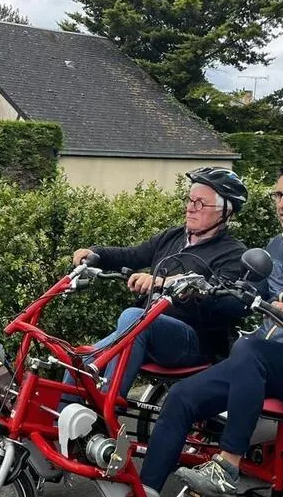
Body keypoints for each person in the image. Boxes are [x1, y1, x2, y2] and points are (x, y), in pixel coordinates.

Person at [86, 160, 283, 497]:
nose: (282, 203)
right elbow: (251, 295)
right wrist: (208, 288)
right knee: (182, 397)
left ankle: (227, 465)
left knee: (250, 349)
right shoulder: (277, 246)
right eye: (277, 194)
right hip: (268, 361)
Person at [67, 167, 250, 402]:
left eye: (201, 203)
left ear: (226, 212)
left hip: (194, 342)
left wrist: (164, 282)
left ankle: (107, 407)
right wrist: (95, 253)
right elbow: (132, 256)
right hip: (144, 331)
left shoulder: (233, 253)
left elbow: (222, 293)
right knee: (77, 364)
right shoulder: (172, 237)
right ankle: (61, 431)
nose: (190, 207)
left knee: (133, 316)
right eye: (190, 200)